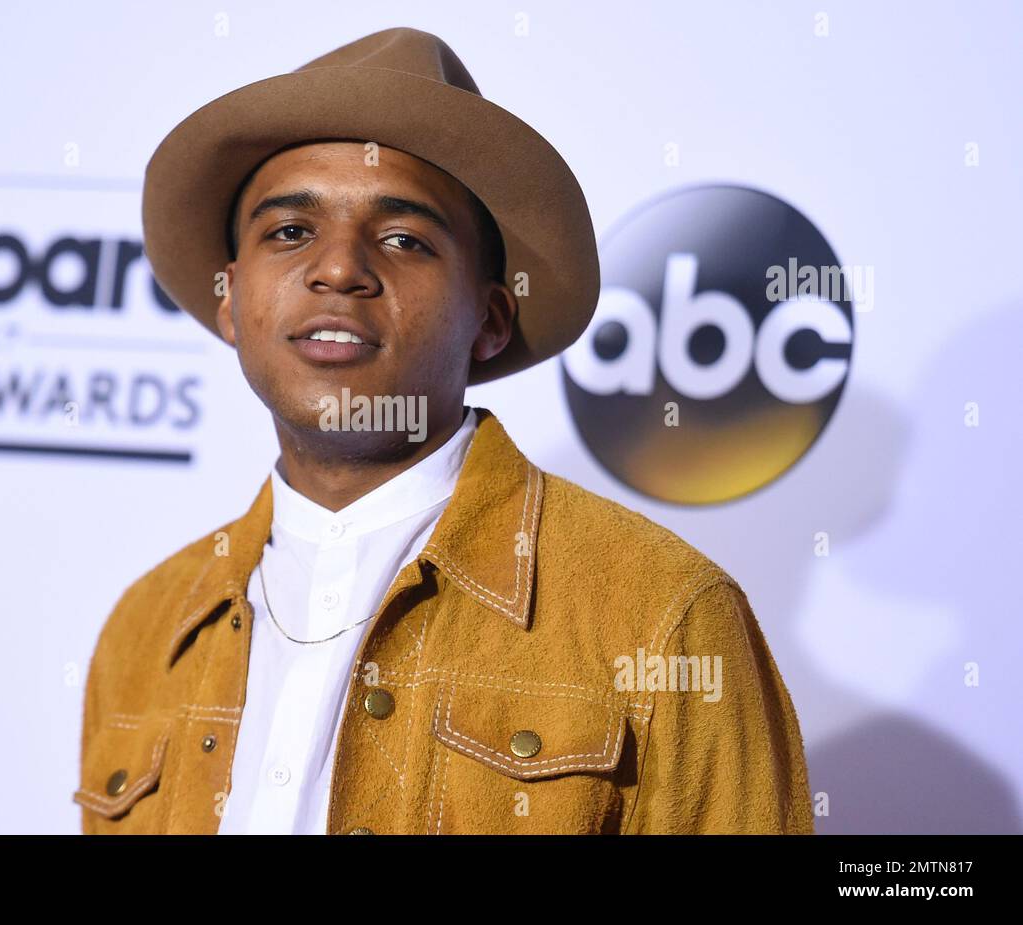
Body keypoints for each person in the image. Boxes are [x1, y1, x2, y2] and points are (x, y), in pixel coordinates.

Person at [75, 26, 814, 835]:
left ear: (489, 318)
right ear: (229, 296)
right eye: (290, 231)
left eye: (403, 239)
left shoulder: (665, 614)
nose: (338, 269)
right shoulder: (148, 628)